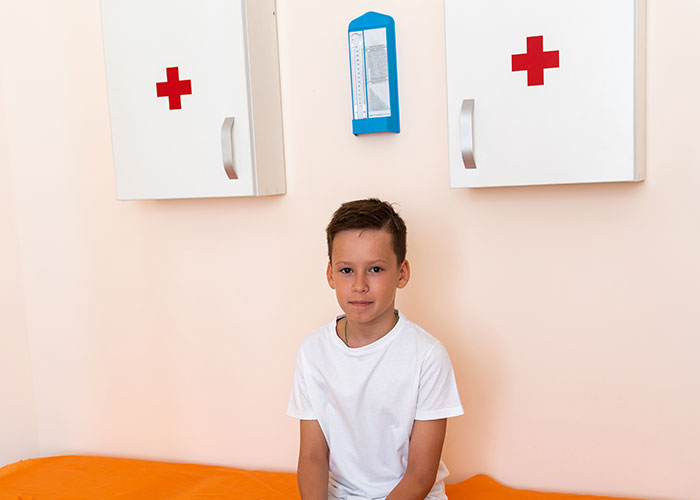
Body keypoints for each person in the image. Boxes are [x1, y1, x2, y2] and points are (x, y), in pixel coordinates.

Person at [287, 198, 463, 500]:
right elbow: (313, 457)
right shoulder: (312, 351)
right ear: (330, 275)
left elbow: (420, 475)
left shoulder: (428, 356)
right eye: (346, 271)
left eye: (376, 269)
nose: (359, 285)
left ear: (402, 273)